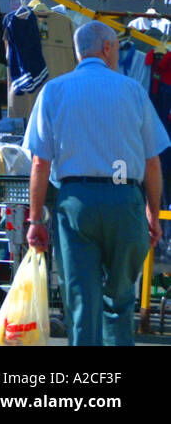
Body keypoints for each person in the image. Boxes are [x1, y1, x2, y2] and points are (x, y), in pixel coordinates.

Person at [25, 21, 169, 346]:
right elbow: (152, 161)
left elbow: (39, 162)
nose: (117, 54)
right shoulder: (132, 90)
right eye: (117, 47)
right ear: (106, 48)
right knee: (119, 299)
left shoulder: (54, 90)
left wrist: (36, 220)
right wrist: (153, 212)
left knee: (81, 300)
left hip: (75, 200)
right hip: (124, 197)